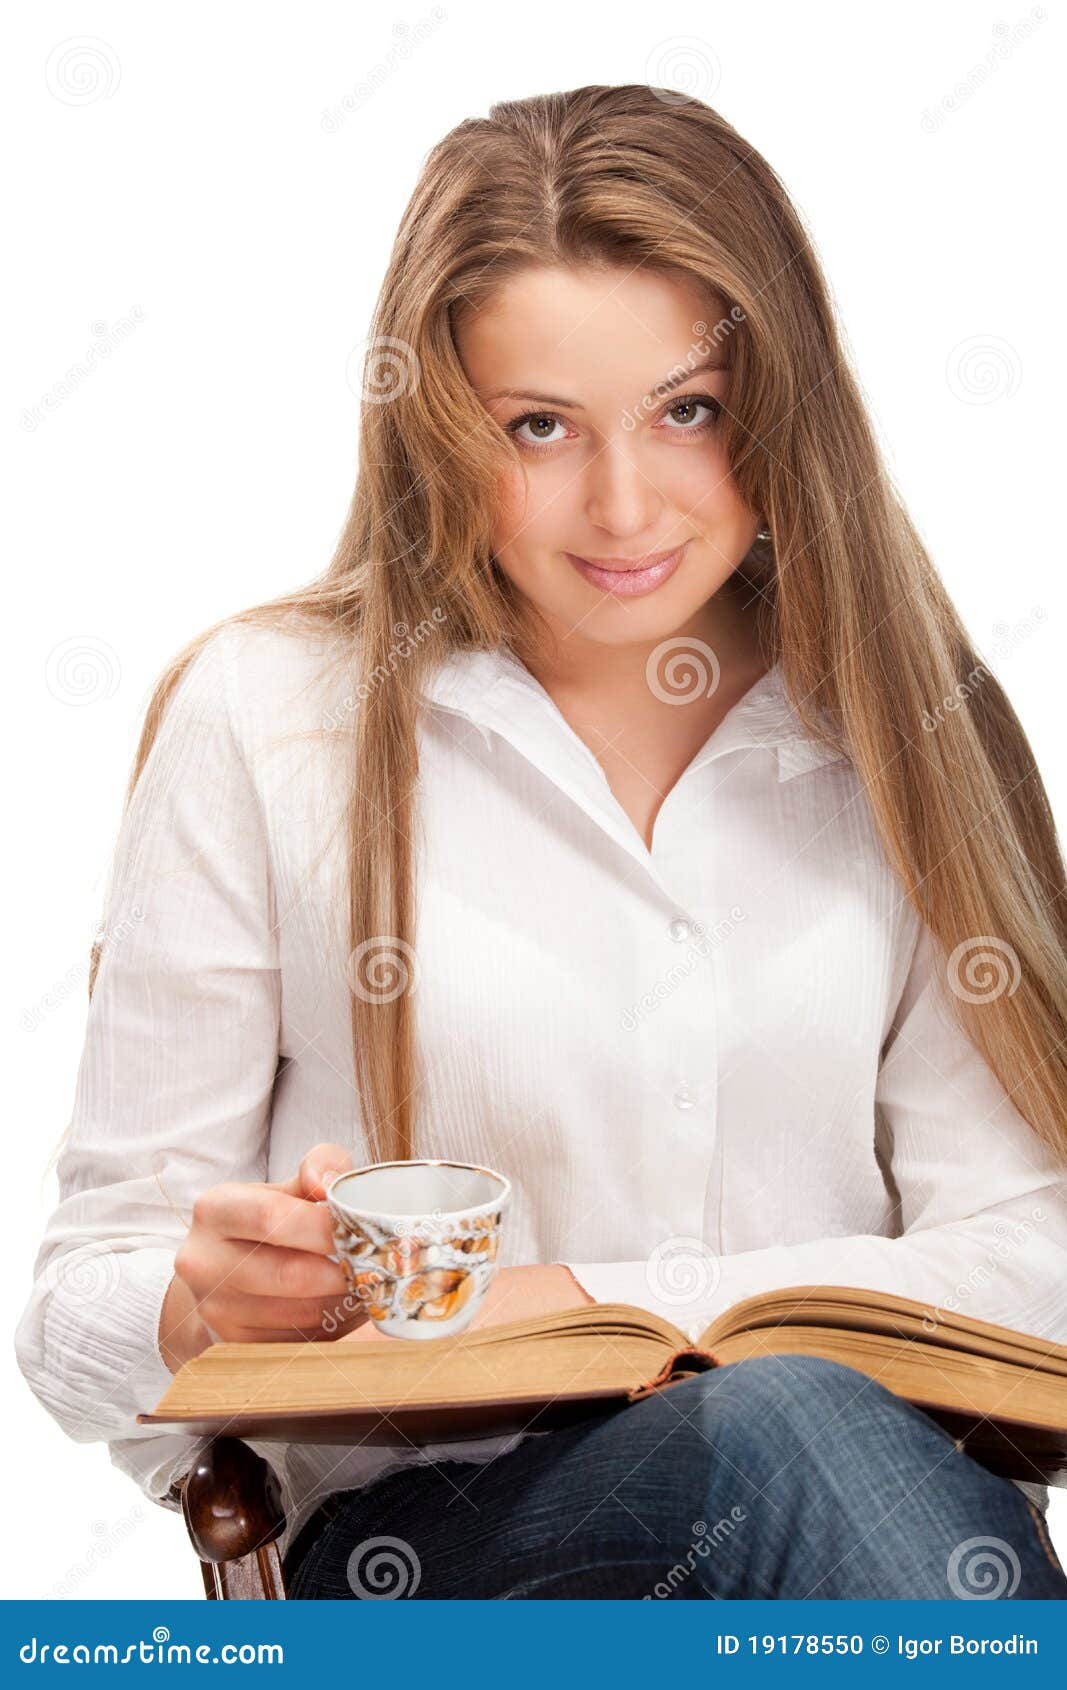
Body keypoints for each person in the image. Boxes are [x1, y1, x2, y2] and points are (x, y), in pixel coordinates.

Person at [16, 84, 1067, 1599]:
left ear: (778, 408)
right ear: (441, 423)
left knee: (806, 1428)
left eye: (687, 411)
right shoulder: (266, 715)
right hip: (442, 1558)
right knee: (794, 1431)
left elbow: (1033, 1261)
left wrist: (594, 1298)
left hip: (862, 1519)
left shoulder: (900, 736)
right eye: (540, 427)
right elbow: (68, 1316)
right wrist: (194, 1309)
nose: (625, 502)